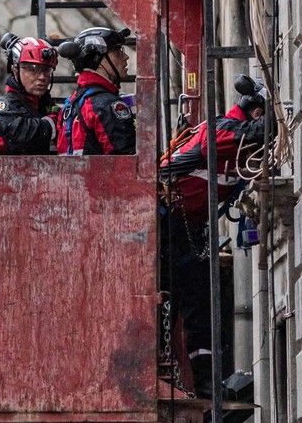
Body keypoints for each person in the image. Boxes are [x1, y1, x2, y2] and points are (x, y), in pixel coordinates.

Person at [159, 74, 268, 399]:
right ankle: (168, 375)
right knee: (171, 298)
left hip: (185, 228)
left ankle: (204, 385)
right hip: (162, 218)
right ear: (256, 111)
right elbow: (247, 135)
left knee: (199, 303)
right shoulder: (220, 129)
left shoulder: (240, 145)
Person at [55, 26, 136, 155]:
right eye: (117, 51)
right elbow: (127, 162)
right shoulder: (107, 105)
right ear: (99, 60)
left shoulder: (70, 104)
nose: (125, 57)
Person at [0, 32, 59, 155]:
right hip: (8, 173)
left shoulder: (49, 108)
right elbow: (21, 137)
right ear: (15, 70)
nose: (42, 77)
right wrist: (52, 124)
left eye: (46, 70)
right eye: (33, 69)